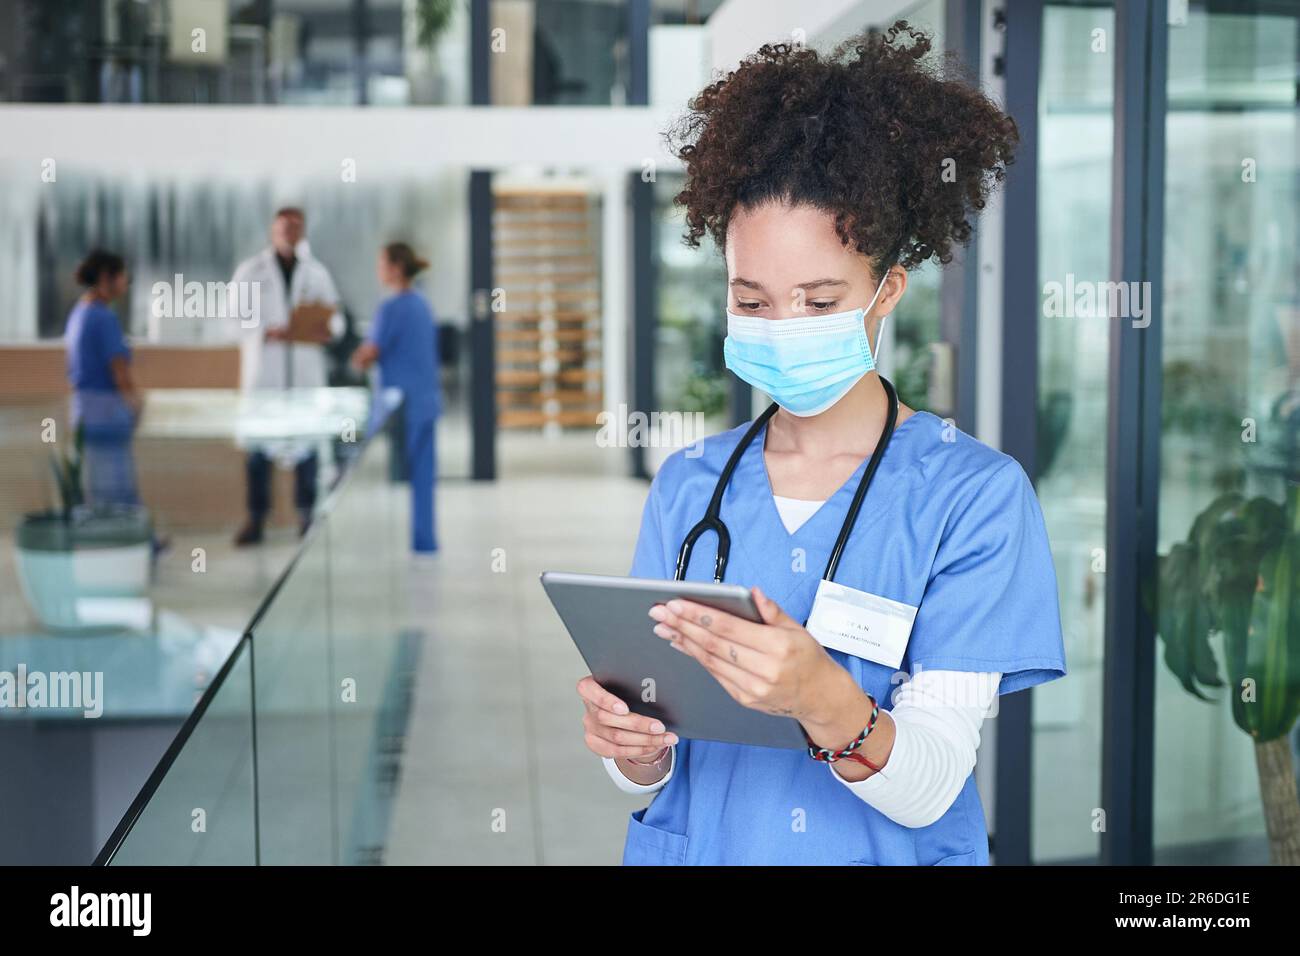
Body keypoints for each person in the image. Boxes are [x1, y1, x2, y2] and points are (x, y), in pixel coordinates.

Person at [575, 23, 1066, 865]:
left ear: (887, 292)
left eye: (819, 300)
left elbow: (932, 784)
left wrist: (820, 698)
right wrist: (635, 750)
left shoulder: (973, 496)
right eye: (753, 301)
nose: (782, 327)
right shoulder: (690, 485)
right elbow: (655, 764)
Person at [229, 207, 342, 545]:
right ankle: (256, 520)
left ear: (302, 231)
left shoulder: (317, 273)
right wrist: (266, 332)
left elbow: (336, 319)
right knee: (258, 453)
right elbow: (232, 321)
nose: (290, 233)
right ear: (273, 230)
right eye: (284, 227)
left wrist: (328, 329)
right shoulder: (250, 271)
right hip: (266, 374)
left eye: (296, 227)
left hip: (304, 373)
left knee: (306, 450)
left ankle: (306, 517)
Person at [351, 243, 441, 553]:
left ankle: (372, 547)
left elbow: (368, 354)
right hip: (426, 401)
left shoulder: (390, 308)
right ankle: (425, 543)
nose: (378, 270)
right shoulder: (423, 304)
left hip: (400, 406)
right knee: (424, 478)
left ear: (396, 268)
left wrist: (355, 359)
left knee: (373, 474)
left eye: (382, 264)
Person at [64, 249, 143, 508]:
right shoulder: (103, 317)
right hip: (106, 413)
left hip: (84, 413)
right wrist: (136, 405)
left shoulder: (79, 313)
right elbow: (119, 371)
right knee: (118, 494)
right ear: (106, 277)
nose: (126, 282)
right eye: (122, 276)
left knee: (97, 490)